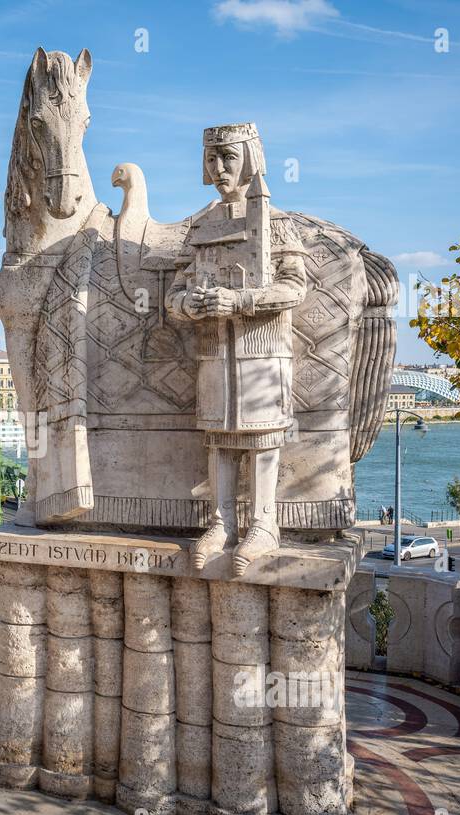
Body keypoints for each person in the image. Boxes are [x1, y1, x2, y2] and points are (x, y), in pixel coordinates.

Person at [166, 122, 307, 572]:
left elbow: (294, 288)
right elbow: (174, 295)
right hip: (214, 350)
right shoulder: (202, 226)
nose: (219, 166)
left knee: (262, 435)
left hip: (262, 351)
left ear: (249, 158)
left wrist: (241, 300)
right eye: (212, 158)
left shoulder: (278, 223)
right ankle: (222, 522)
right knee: (220, 437)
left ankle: (264, 524)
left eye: (228, 156)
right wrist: (193, 304)